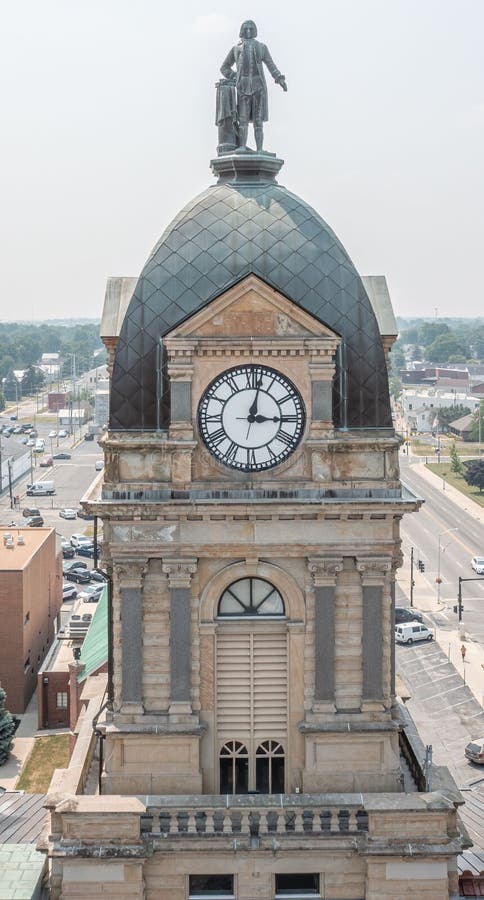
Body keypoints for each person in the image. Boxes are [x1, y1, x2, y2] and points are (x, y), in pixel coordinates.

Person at [220, 20, 287, 153]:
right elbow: (224, 67)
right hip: (243, 87)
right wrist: (234, 77)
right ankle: (243, 146)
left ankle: (260, 149)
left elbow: (270, 65)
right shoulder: (236, 48)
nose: (249, 31)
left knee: (258, 121)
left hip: (258, 86)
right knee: (243, 120)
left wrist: (279, 78)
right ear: (242, 30)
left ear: (255, 30)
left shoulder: (261, 47)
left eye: (251, 29)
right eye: (246, 29)